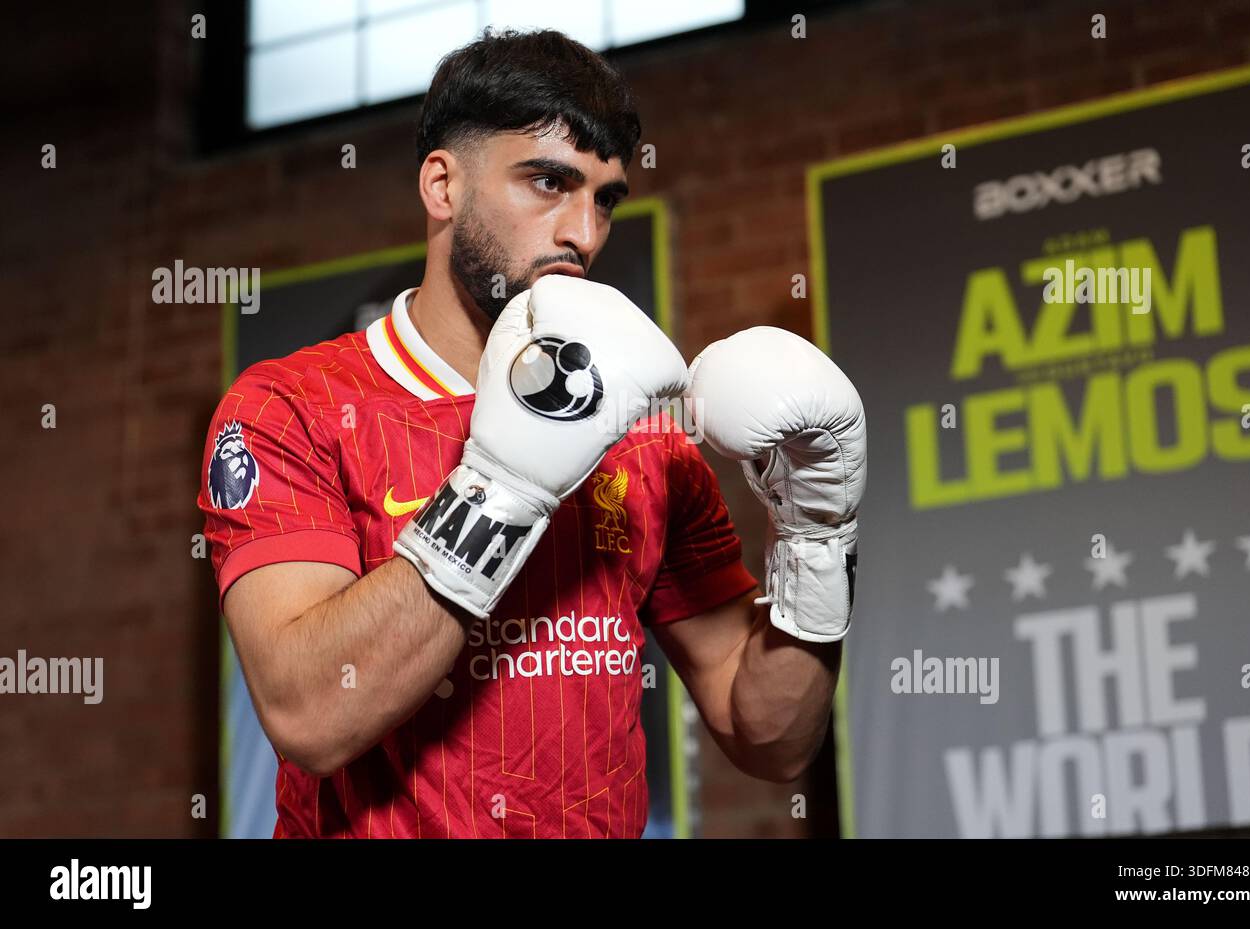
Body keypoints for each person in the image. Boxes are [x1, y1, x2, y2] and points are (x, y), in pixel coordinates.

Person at [197, 27, 865, 838]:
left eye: (604, 197)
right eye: (548, 182)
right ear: (442, 185)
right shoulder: (290, 407)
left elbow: (769, 737)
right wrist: (507, 483)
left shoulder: (647, 439)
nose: (582, 232)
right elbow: (310, 714)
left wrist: (818, 531)